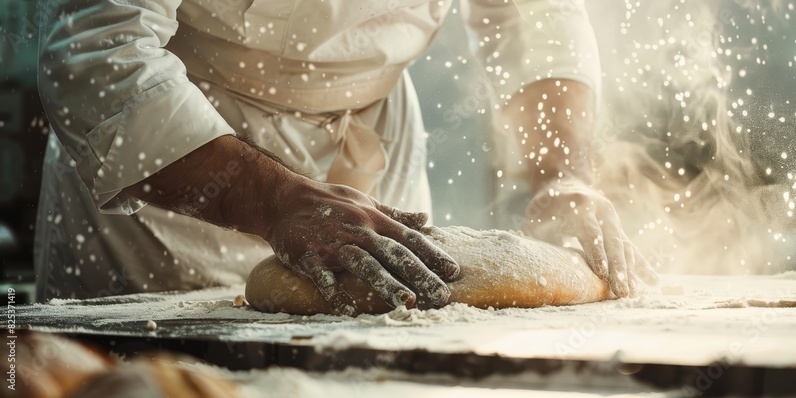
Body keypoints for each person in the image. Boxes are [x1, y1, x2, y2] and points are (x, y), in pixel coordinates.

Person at [34, 0, 650, 310]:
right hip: (176, 164)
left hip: (374, 153)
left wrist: (563, 173)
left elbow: (534, 19)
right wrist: (276, 201)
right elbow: (98, 57)